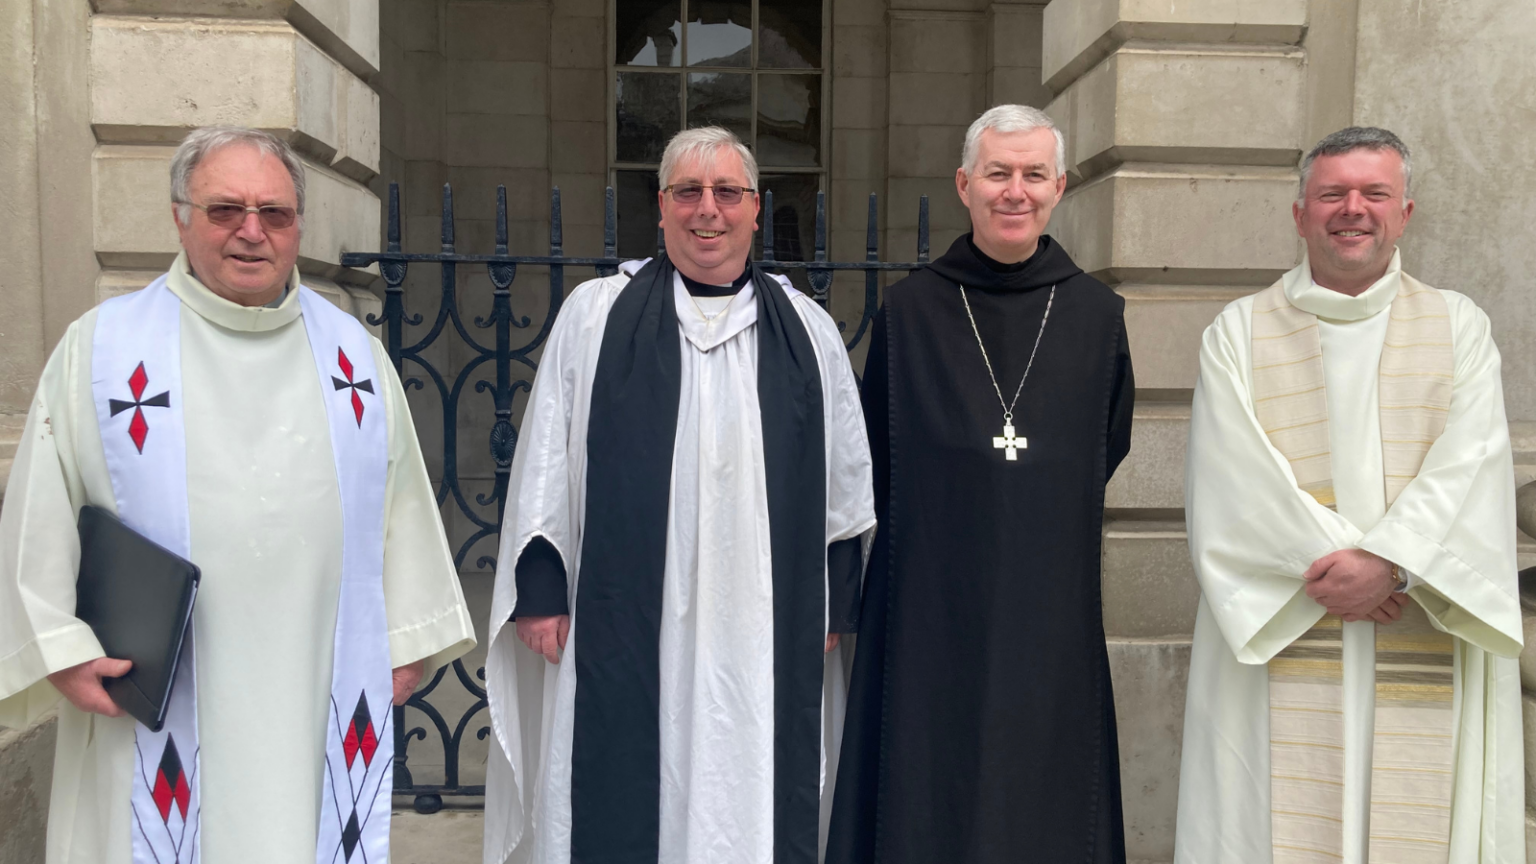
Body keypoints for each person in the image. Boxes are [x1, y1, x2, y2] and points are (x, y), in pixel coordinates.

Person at [0, 126, 475, 864]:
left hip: (316, 673)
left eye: (274, 213)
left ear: (297, 226)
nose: (252, 232)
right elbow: (39, 510)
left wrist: (409, 639)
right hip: (157, 687)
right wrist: (61, 648)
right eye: (225, 210)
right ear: (179, 217)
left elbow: (403, 504)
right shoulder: (101, 350)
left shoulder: (353, 357)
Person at [481, 126, 875, 864]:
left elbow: (847, 476)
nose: (708, 209)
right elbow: (545, 455)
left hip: (765, 616)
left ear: (755, 207)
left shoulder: (808, 331)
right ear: (661, 207)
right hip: (624, 615)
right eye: (688, 191)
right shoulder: (596, 315)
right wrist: (540, 589)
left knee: (754, 768)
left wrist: (835, 601)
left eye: (728, 192)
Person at [1173, 127, 1524, 863]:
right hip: (1290, 613)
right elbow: (1232, 475)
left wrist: (1391, 565)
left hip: (1419, 609)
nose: (1353, 210)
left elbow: (1472, 462)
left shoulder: (1458, 325)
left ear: (1406, 213)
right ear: (1300, 214)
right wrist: (1345, 571)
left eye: (1375, 194)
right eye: (1332, 194)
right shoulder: (1239, 330)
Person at [826, 104, 1135, 864]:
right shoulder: (909, 310)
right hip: (929, 594)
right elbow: (876, 451)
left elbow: (1108, 441)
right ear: (965, 185)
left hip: (1050, 596)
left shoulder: (1097, 315)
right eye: (998, 173)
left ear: (1060, 187)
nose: (1015, 191)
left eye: (1034, 174)